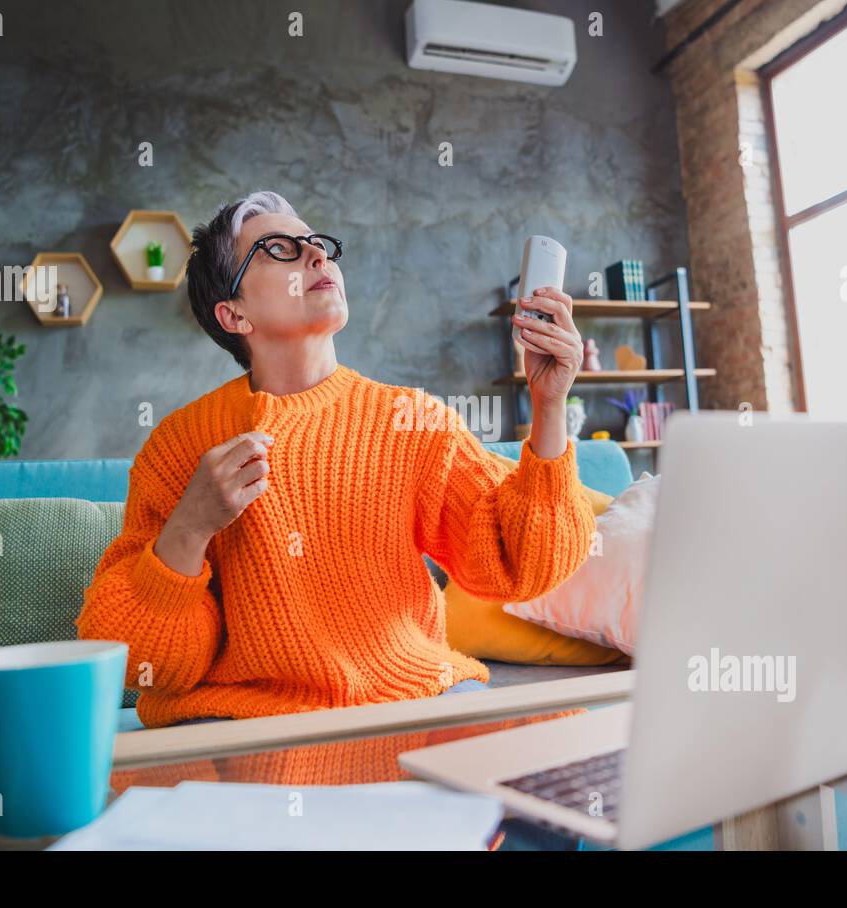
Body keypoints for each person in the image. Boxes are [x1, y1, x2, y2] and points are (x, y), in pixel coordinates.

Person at [75, 190, 595, 728]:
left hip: (413, 699)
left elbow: (523, 566)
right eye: (280, 248)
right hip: (244, 721)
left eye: (317, 243)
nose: (317, 256)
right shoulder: (179, 446)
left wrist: (549, 404)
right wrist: (189, 528)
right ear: (233, 314)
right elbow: (147, 667)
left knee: (561, 752)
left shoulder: (412, 419)